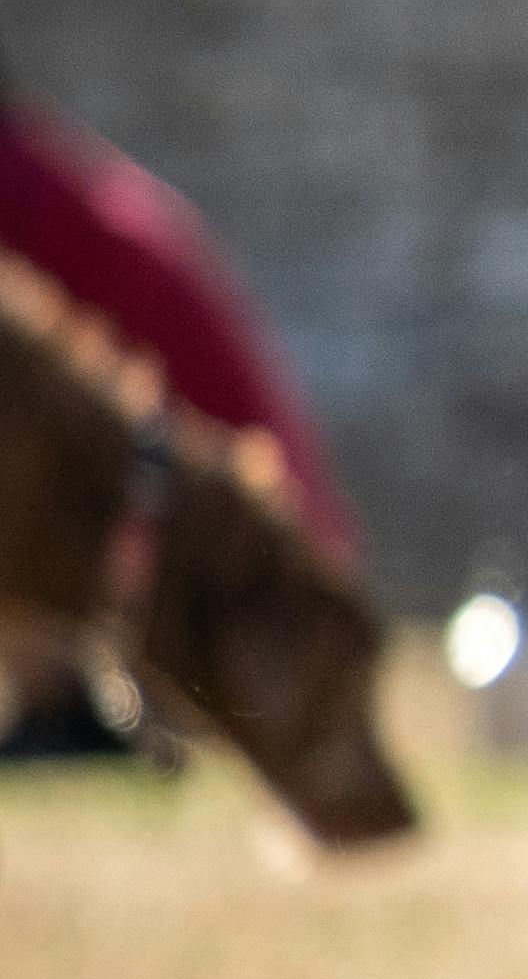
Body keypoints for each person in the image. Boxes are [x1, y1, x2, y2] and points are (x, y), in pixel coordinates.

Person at [1, 70, 365, 758]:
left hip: (253, 567)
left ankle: (67, 709)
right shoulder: (42, 167)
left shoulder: (20, 188)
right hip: (249, 533)